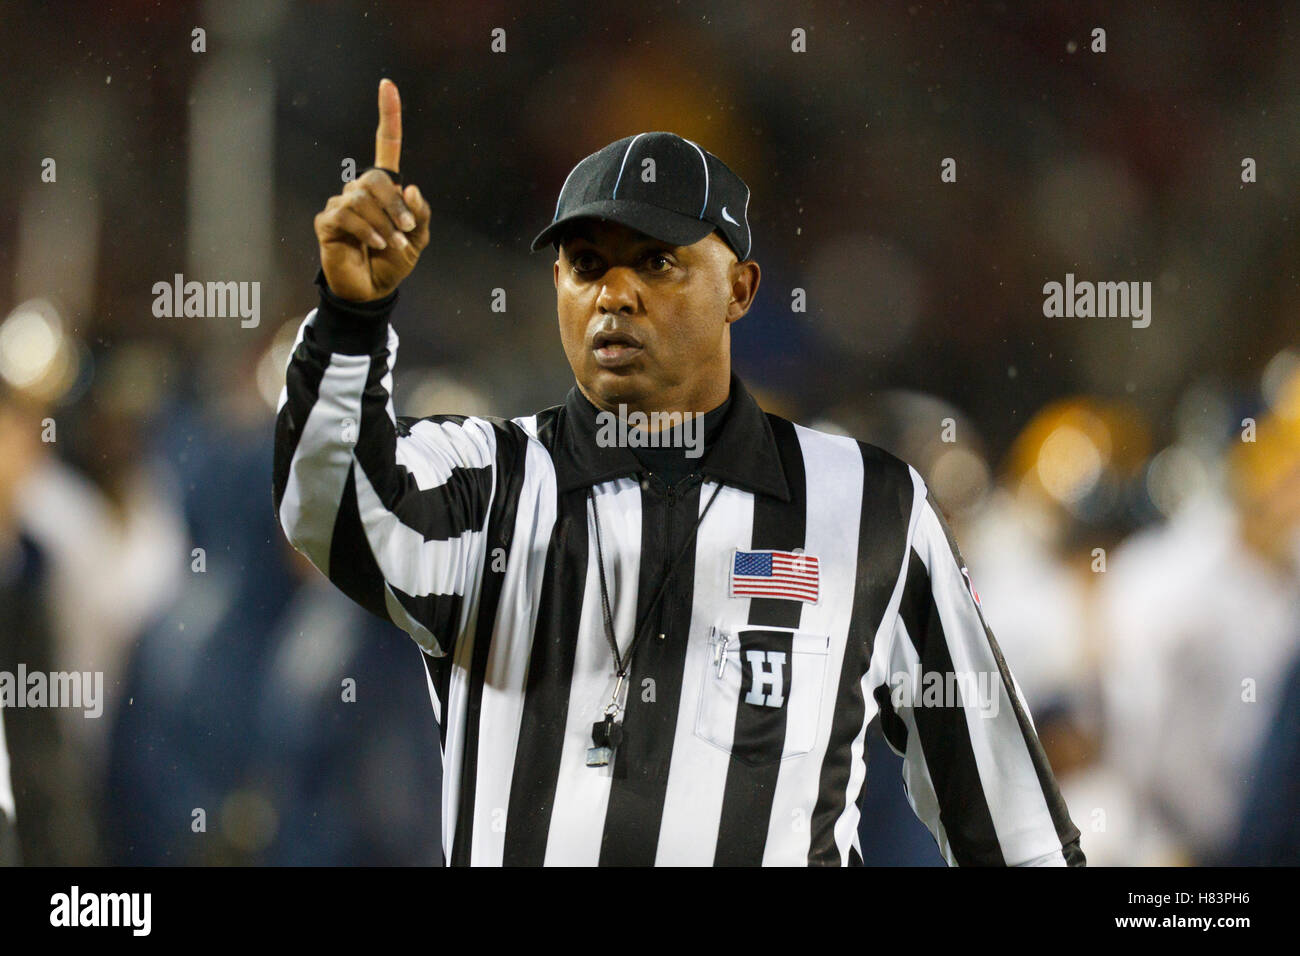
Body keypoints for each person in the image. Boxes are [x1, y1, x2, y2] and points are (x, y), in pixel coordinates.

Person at [273, 78, 1085, 867]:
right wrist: (352, 318)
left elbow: (1008, 819)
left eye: (657, 262)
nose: (616, 293)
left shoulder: (867, 504)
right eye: (587, 263)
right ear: (557, 283)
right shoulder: (489, 479)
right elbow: (326, 504)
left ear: (740, 289)